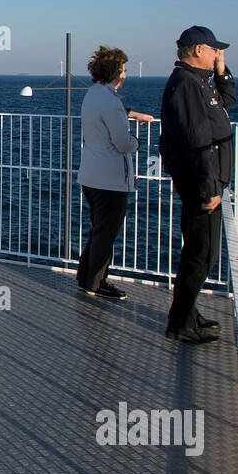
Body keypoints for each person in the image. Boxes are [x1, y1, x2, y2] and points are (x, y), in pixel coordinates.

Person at [159, 26, 237, 344]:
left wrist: (221, 70)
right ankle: (180, 322)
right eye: (214, 50)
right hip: (200, 184)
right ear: (198, 50)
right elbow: (197, 140)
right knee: (200, 253)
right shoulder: (187, 85)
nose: (219, 53)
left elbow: (228, 100)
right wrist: (210, 188)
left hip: (205, 181)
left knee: (200, 250)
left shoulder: (197, 82)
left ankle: (188, 313)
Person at [76, 46, 153, 299]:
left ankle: (85, 276)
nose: (126, 74)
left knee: (98, 229)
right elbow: (122, 142)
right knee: (106, 233)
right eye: (123, 69)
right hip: (109, 179)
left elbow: (110, 111)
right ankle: (95, 283)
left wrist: (131, 113)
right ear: (115, 73)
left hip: (91, 175)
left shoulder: (93, 95)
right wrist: (138, 143)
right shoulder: (110, 101)